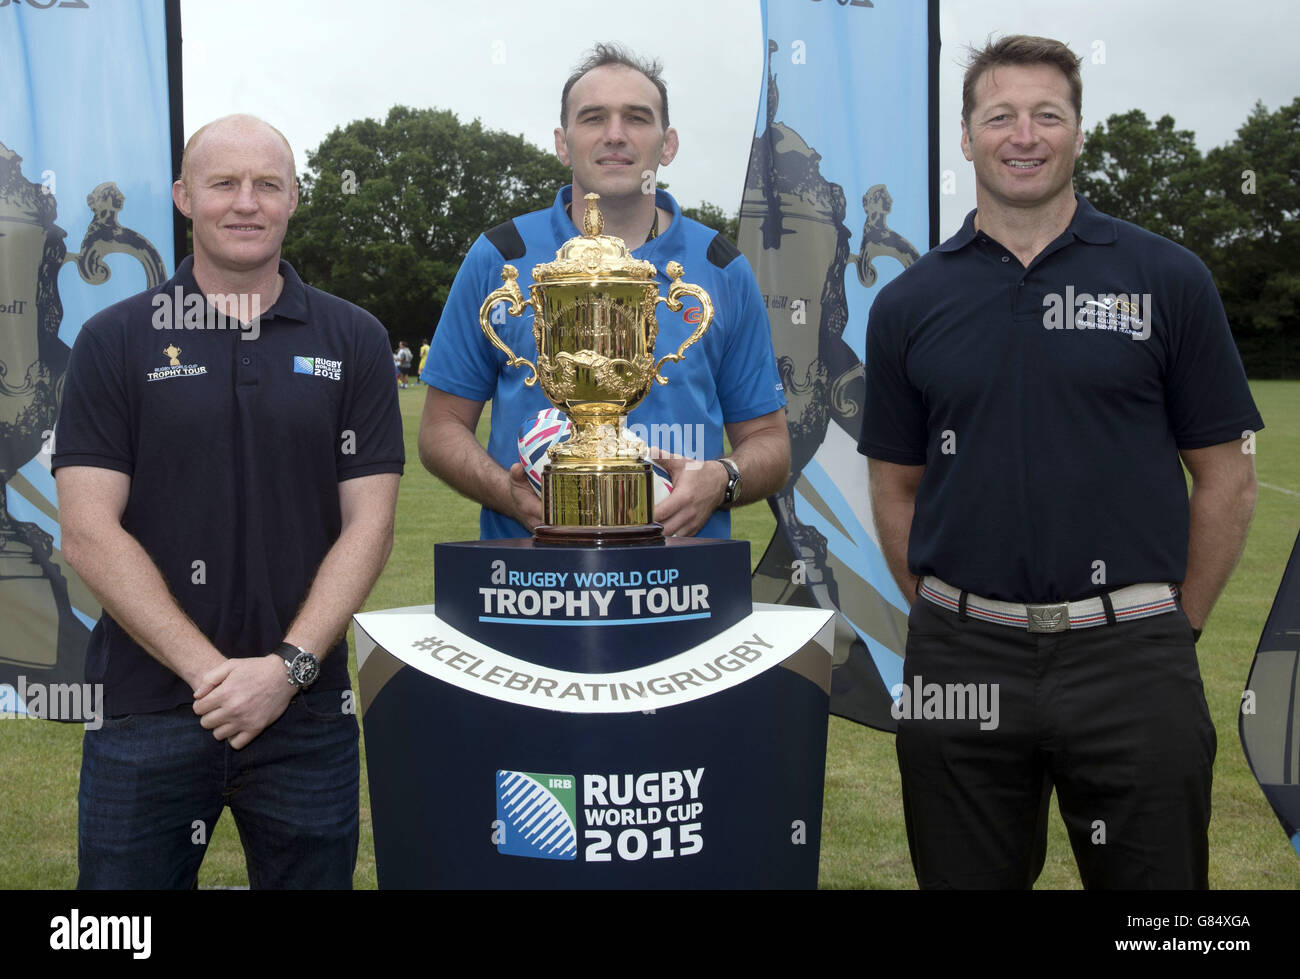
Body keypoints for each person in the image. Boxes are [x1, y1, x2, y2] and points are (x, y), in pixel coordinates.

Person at [858, 35, 1261, 889]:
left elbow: (1227, 474)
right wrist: (945, 617)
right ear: (965, 137)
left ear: (1080, 131)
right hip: (961, 667)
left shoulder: (1169, 277)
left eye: (1048, 114)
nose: (1024, 135)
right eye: (998, 116)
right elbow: (894, 486)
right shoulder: (908, 303)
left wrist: (1172, 625)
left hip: (1133, 659)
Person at [53, 114, 404, 889]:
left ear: (293, 199)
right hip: (144, 708)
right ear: (184, 196)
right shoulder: (115, 339)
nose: (246, 203)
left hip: (306, 713)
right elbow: (86, 530)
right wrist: (218, 676)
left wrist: (285, 671)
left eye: (267, 185)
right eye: (223, 184)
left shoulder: (355, 339)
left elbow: (370, 523)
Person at [418, 43, 789, 539]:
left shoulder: (722, 265)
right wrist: (505, 491)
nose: (615, 135)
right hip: (534, 590)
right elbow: (440, 429)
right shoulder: (500, 255)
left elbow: (769, 442)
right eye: (593, 118)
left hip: (680, 588)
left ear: (668, 144)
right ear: (562, 143)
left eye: (637, 118)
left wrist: (720, 480)